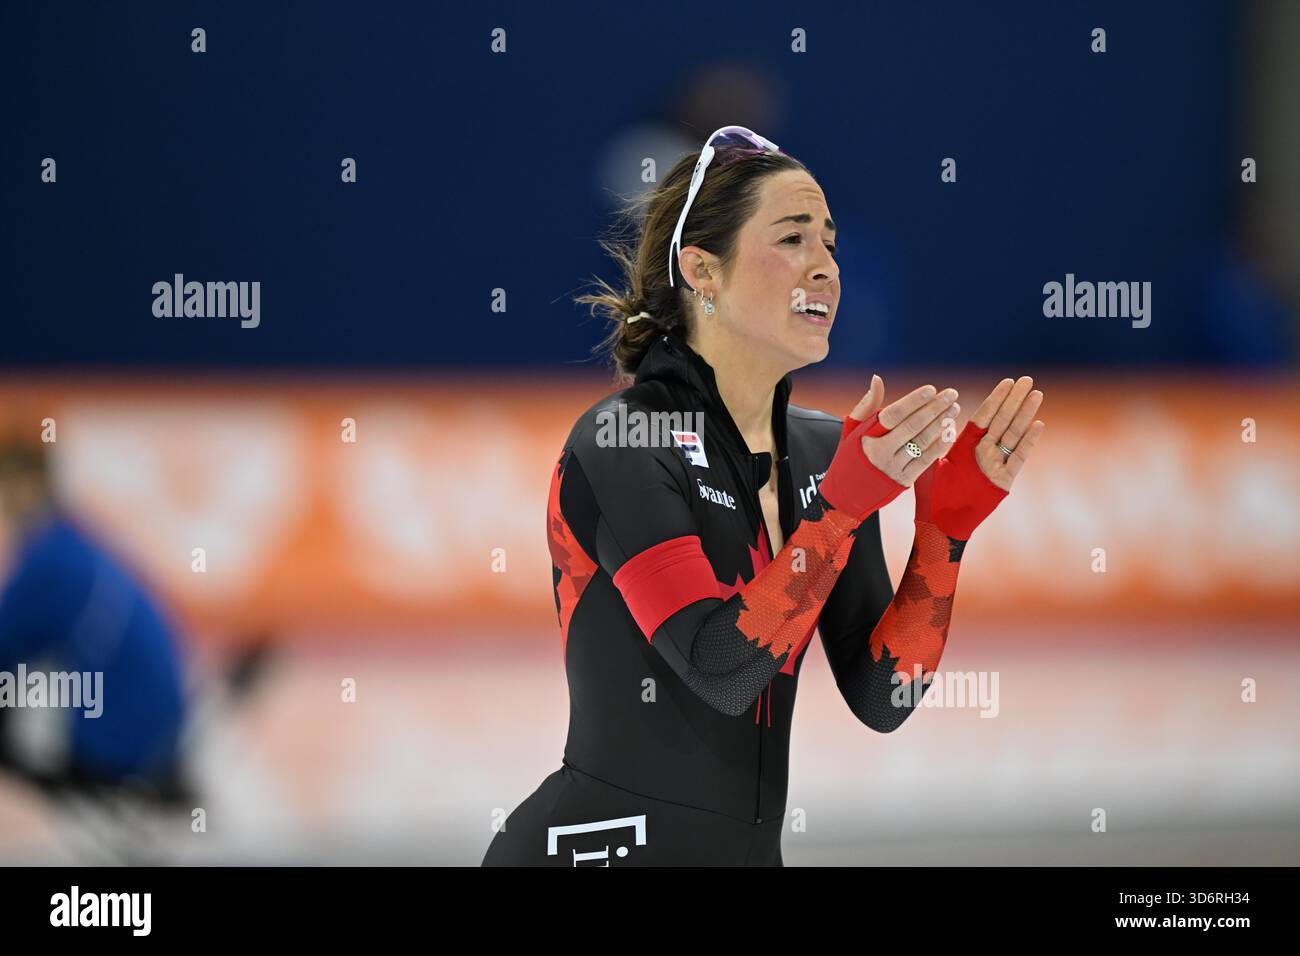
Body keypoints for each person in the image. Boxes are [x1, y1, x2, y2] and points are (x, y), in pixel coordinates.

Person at [482, 126, 1045, 867]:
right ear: (701, 271)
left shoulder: (824, 454)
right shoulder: (624, 441)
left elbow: (883, 698)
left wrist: (944, 530)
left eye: (831, 244)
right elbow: (718, 671)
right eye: (792, 239)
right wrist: (840, 511)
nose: (826, 267)